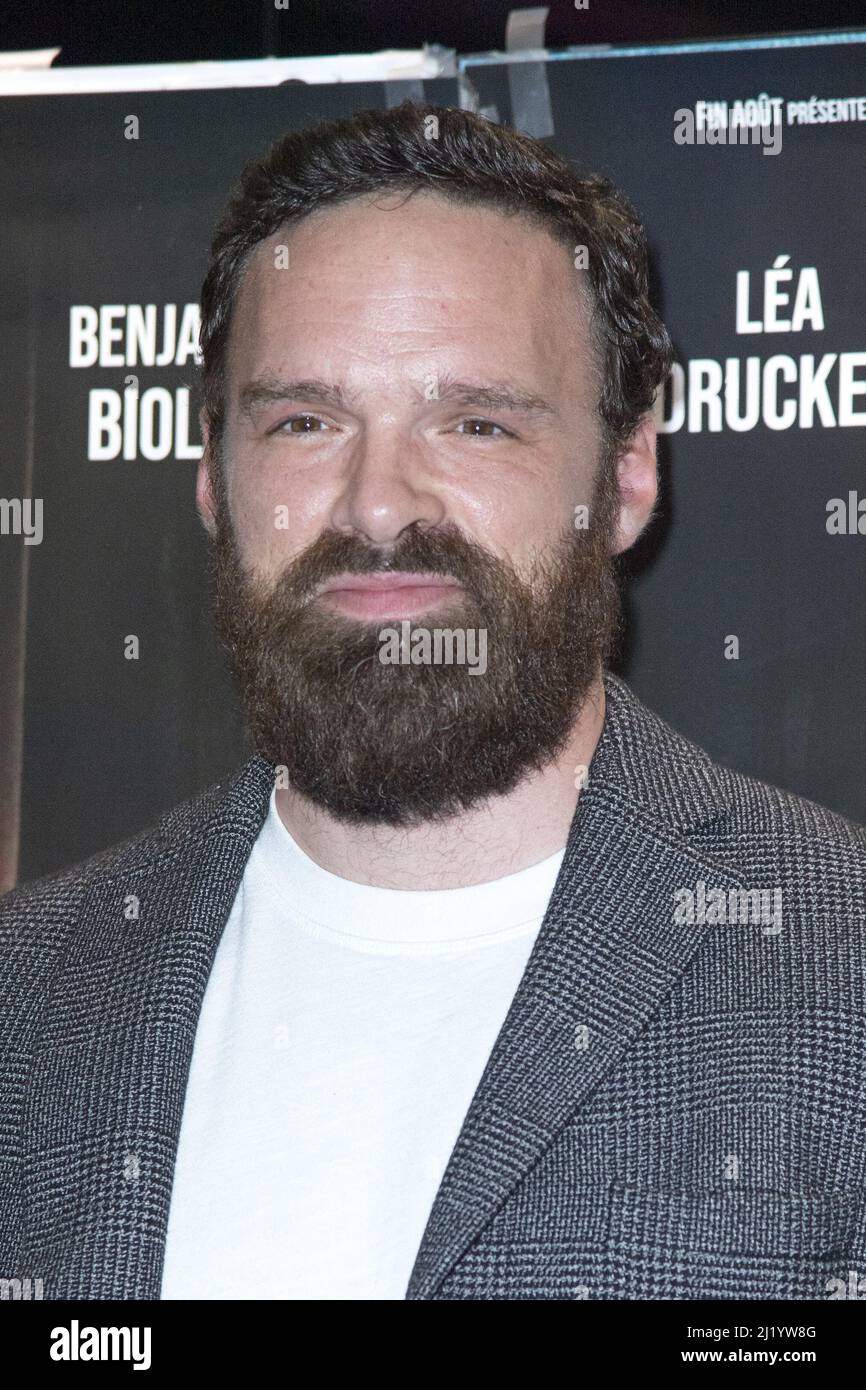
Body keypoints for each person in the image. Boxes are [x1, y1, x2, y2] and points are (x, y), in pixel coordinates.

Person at [2, 102, 864, 1302]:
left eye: (473, 422)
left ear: (624, 476)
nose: (375, 504)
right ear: (212, 477)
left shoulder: (839, 965)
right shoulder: (29, 994)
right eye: (304, 421)